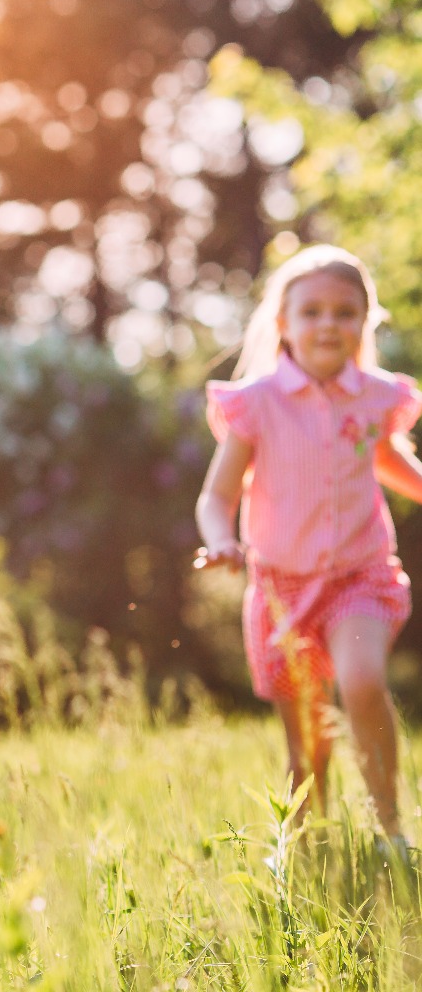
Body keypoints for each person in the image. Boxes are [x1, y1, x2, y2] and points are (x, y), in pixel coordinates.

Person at [196, 244, 422, 857]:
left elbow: (389, 462)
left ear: (365, 322)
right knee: (306, 740)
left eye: (345, 312)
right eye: (313, 311)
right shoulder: (257, 402)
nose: (329, 324)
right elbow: (216, 497)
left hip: (361, 577)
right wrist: (220, 542)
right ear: (285, 324)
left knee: (363, 678)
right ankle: (308, 843)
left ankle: (390, 830)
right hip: (282, 589)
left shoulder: (375, 397)